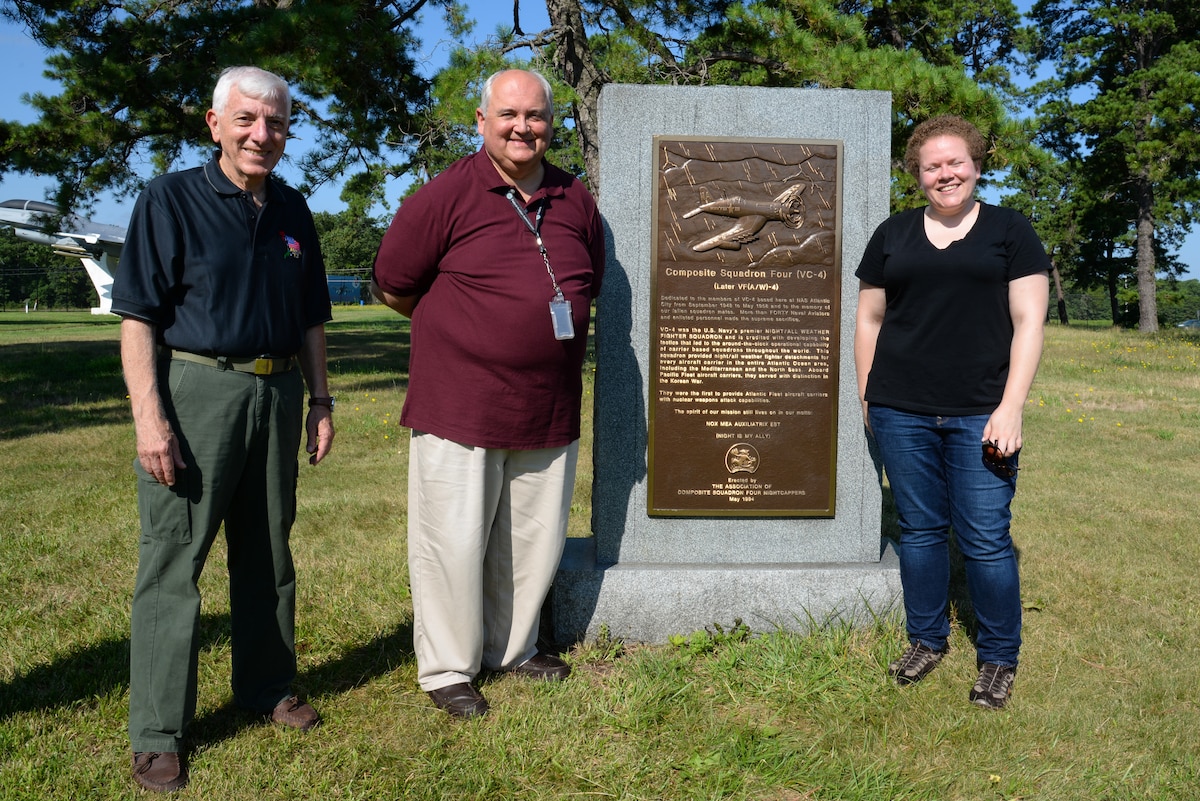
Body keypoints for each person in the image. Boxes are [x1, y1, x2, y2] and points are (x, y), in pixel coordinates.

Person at [111, 66, 335, 791]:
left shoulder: (296, 209)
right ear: (214, 124)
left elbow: (311, 318)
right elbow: (139, 317)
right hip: (198, 391)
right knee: (175, 560)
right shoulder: (169, 199)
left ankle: (267, 686)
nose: (260, 134)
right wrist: (151, 419)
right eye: (245, 120)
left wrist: (320, 399)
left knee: (269, 551)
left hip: (277, 393)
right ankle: (158, 729)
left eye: (274, 122)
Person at [371, 69, 604, 719]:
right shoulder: (445, 196)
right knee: (452, 541)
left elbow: (593, 281)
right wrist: (465, 332)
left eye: (535, 116)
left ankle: (515, 645)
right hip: (461, 405)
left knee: (531, 540)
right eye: (508, 115)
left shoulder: (574, 199)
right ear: (480, 122)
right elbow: (393, 284)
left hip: (548, 405)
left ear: (549, 125)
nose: (522, 127)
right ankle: (448, 665)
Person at [854, 115, 1049, 710]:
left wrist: (1011, 407)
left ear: (977, 166)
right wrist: (869, 396)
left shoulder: (1011, 231)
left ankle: (997, 656)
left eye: (955, 162)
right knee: (920, 530)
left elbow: (1029, 322)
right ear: (918, 175)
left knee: (986, 536)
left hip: (981, 415)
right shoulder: (893, 234)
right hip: (901, 410)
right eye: (933, 166)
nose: (946, 174)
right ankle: (926, 639)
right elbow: (869, 319)